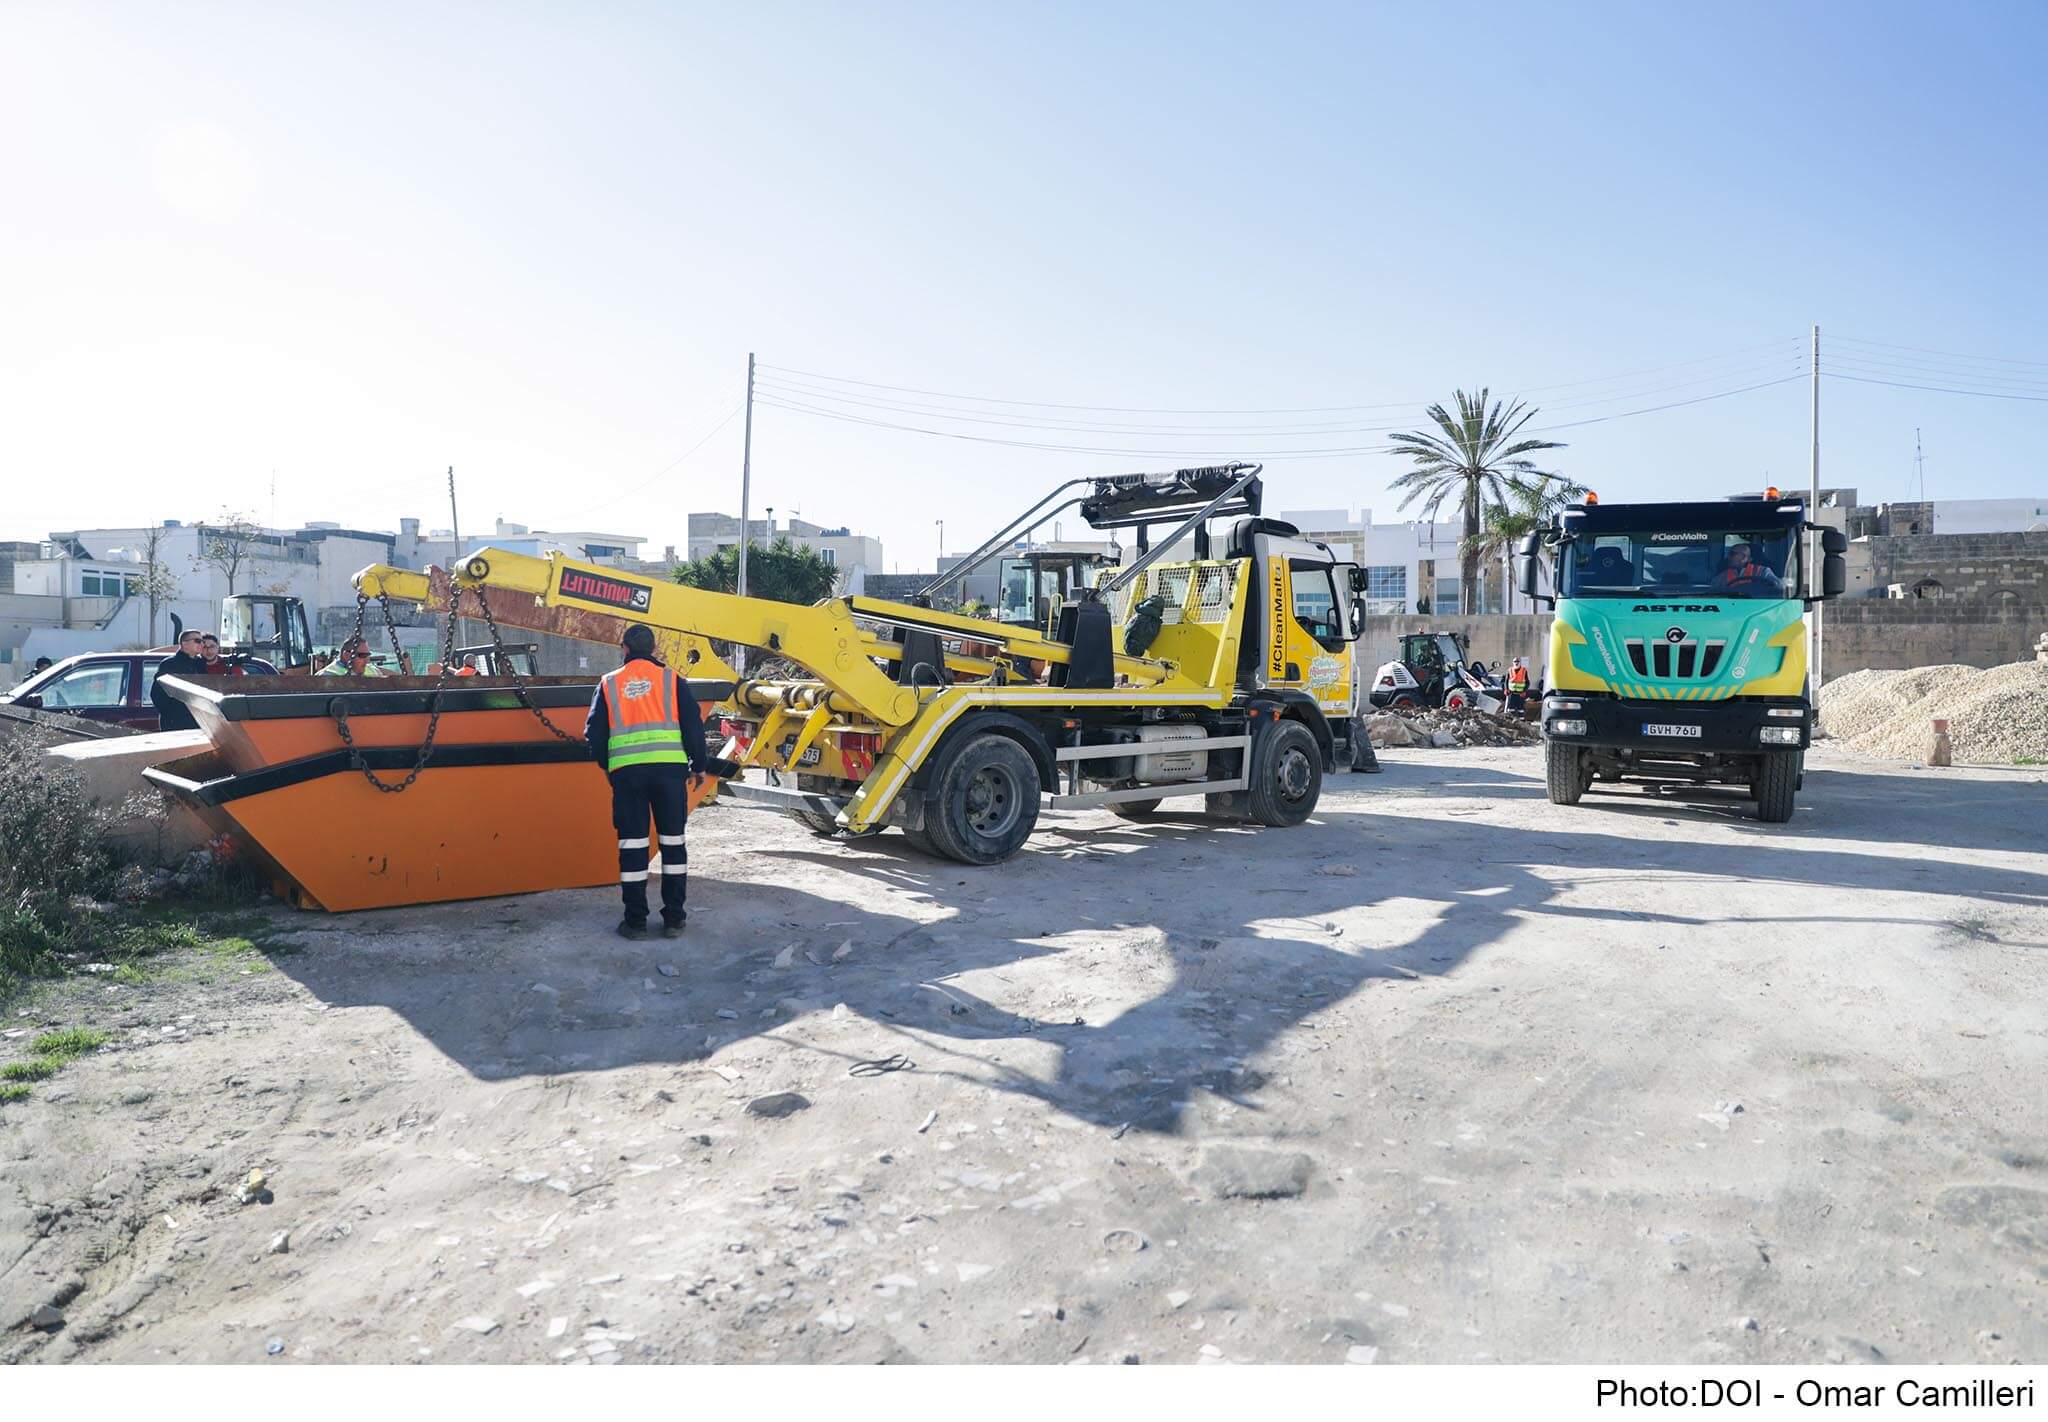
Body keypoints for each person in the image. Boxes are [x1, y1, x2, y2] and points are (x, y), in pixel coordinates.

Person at [585, 623, 707, 940]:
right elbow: (694, 726)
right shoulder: (672, 680)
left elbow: (593, 735)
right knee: (672, 844)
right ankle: (674, 920)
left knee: (633, 847)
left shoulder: (609, 683)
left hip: (628, 776)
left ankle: (635, 921)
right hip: (670, 774)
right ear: (653, 650)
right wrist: (699, 765)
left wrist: (611, 767)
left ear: (624, 648)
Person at [151, 630, 210, 731]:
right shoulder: (169, 664)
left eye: (202, 641)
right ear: (184, 643)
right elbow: (157, 694)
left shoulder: (200, 664)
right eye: (197, 641)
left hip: (198, 721)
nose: (202, 644)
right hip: (175, 722)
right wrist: (171, 715)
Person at [1714, 541, 1783, 593]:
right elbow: (1713, 590)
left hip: (1758, 602)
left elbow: (1778, 586)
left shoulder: (1762, 571)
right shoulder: (1724, 575)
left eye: (1732, 554)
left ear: (1744, 557)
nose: (1728, 557)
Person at [316, 635, 388, 677]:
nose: (366, 661)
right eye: (362, 655)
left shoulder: (373, 671)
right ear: (346, 656)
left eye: (367, 655)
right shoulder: (326, 676)